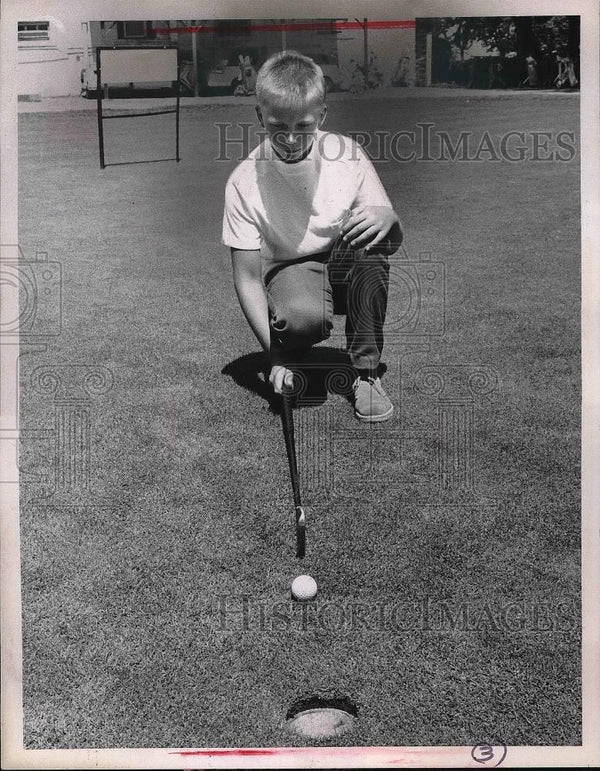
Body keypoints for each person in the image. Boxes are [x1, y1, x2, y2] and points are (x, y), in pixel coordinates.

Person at [222, 50, 403, 422]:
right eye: (277, 126)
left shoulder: (347, 154)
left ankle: (366, 376)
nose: (290, 139)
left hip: (341, 264)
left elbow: (390, 244)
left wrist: (391, 217)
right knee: (302, 319)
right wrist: (275, 359)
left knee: (370, 250)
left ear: (321, 115)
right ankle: (296, 345)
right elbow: (247, 277)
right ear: (260, 116)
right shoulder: (242, 181)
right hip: (290, 270)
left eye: (303, 126)